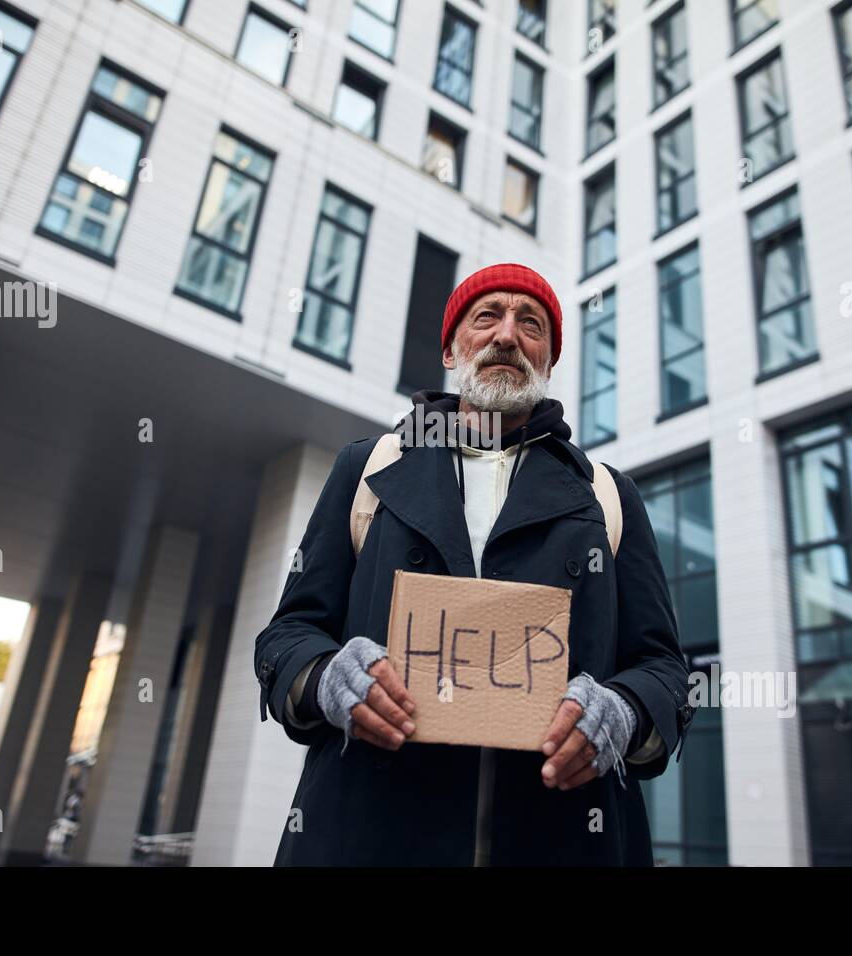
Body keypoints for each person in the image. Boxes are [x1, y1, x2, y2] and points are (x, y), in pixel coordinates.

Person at [255, 263, 695, 866]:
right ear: (450, 346)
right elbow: (287, 634)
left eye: (531, 324)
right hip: (367, 837)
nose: (507, 336)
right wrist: (328, 676)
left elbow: (665, 668)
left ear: (548, 359)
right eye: (486, 317)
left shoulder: (608, 495)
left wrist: (624, 710)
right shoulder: (368, 469)